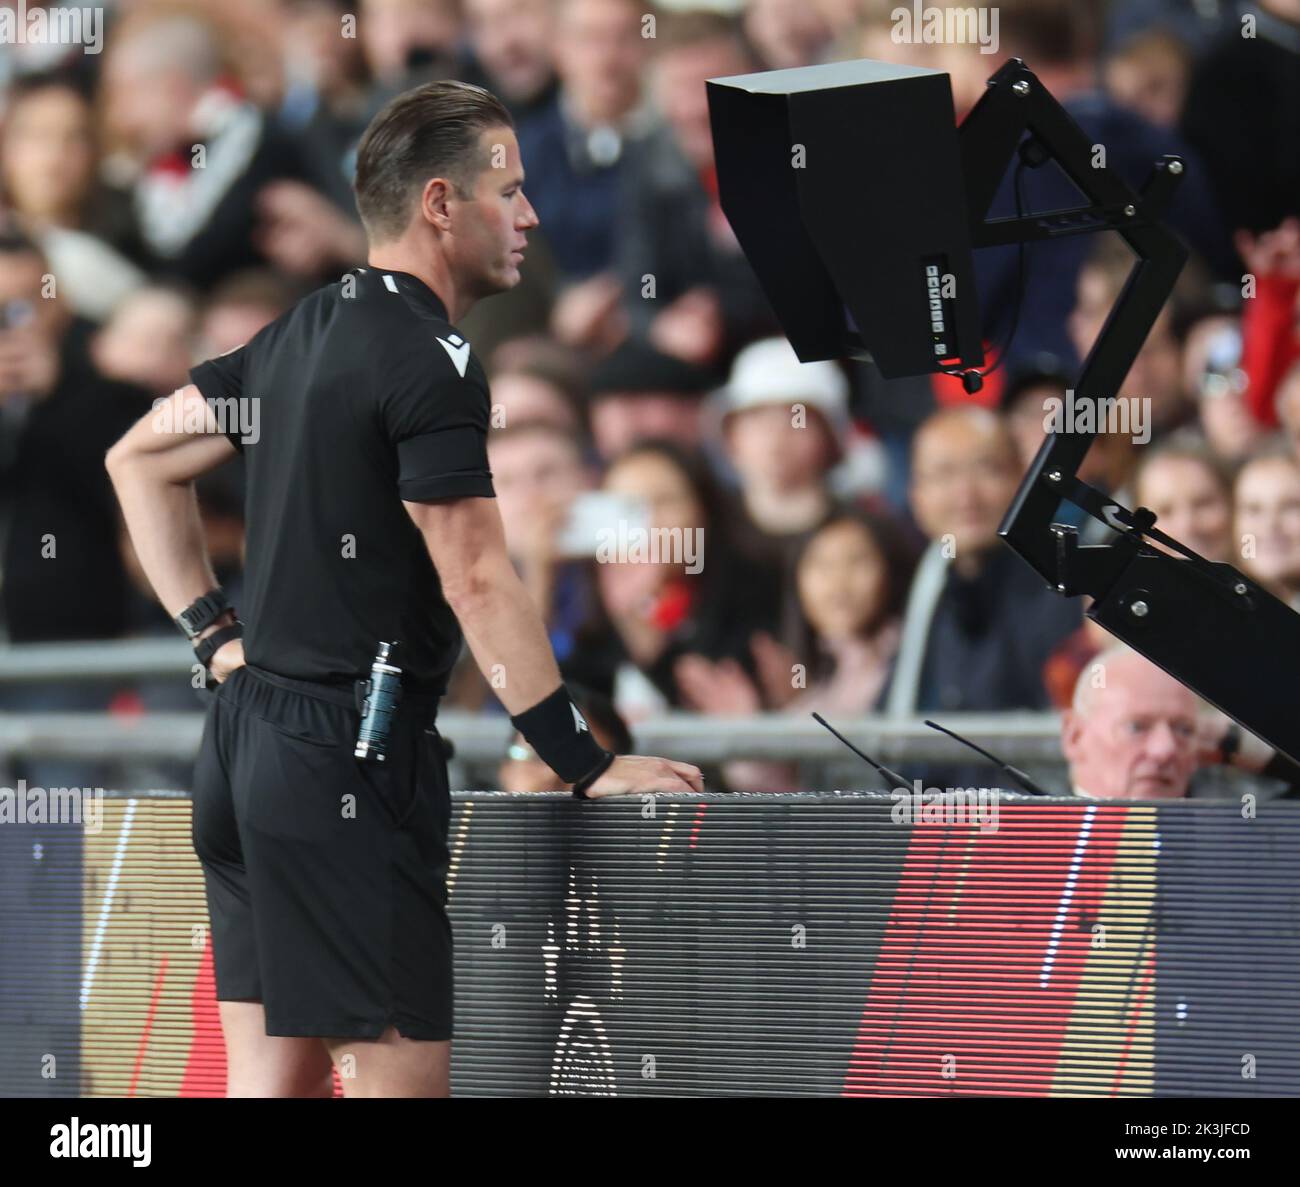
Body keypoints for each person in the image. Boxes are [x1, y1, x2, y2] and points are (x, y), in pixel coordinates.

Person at [105, 80, 702, 1100]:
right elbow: (475, 571)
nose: (531, 216)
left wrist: (213, 637)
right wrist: (582, 760)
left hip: (245, 749)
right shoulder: (431, 356)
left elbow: (137, 459)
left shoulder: (301, 327)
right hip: (350, 756)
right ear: (439, 203)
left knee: (269, 1088)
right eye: (507, 192)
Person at [1061, 644, 1201, 799]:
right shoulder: (1035, 822)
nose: (1165, 749)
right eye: (1137, 727)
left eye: (1184, 730)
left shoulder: (1219, 820)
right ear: (1075, 736)